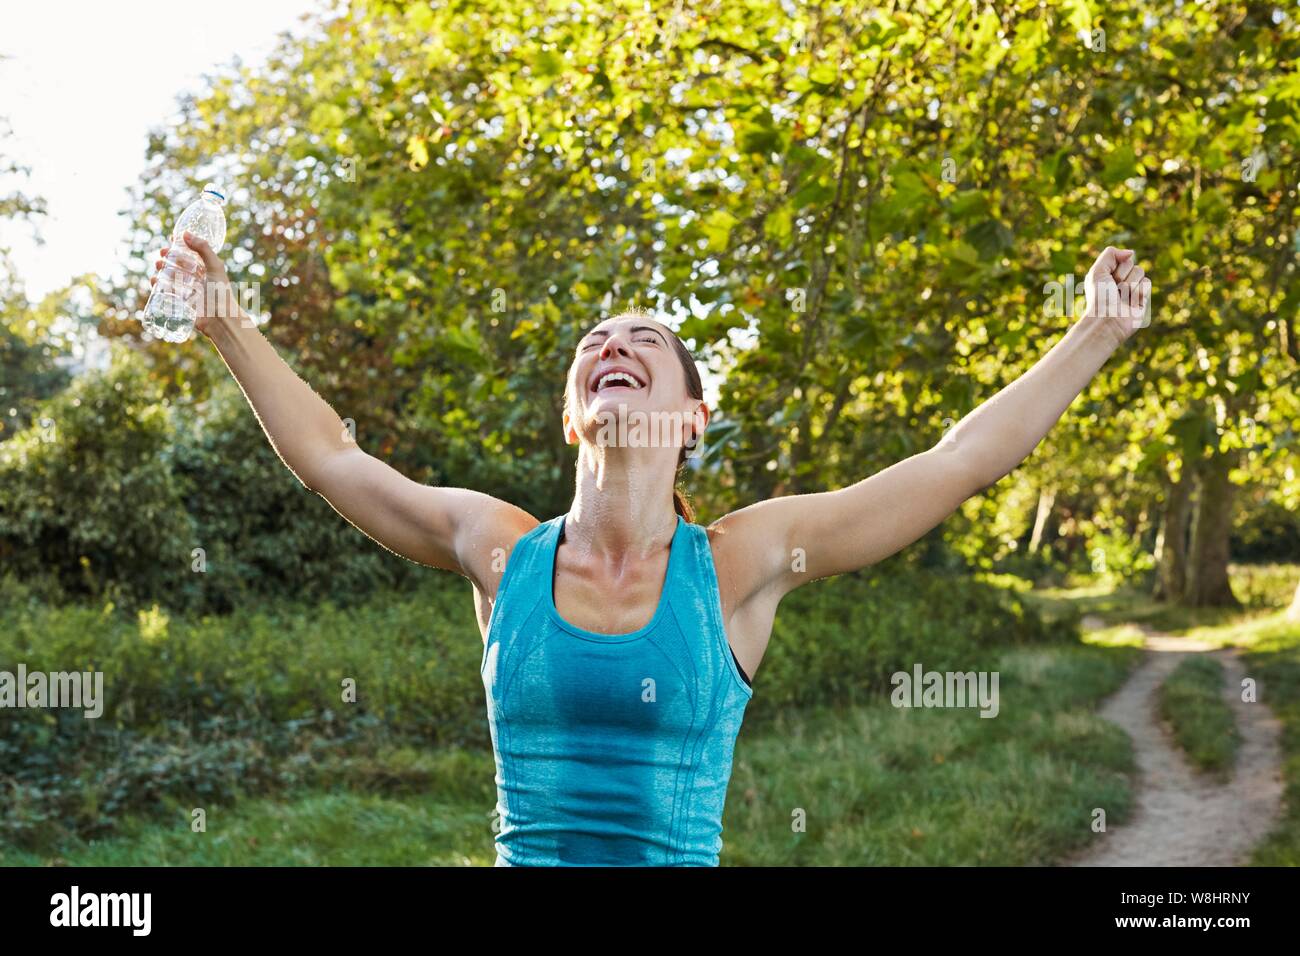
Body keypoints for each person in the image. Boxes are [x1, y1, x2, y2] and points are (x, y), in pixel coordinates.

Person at [151, 234, 1151, 865]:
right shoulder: (498, 549)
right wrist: (226, 321)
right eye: (594, 339)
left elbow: (953, 461)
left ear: (691, 416)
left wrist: (1094, 336)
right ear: (571, 414)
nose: (613, 344)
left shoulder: (739, 561)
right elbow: (331, 455)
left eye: (646, 340)